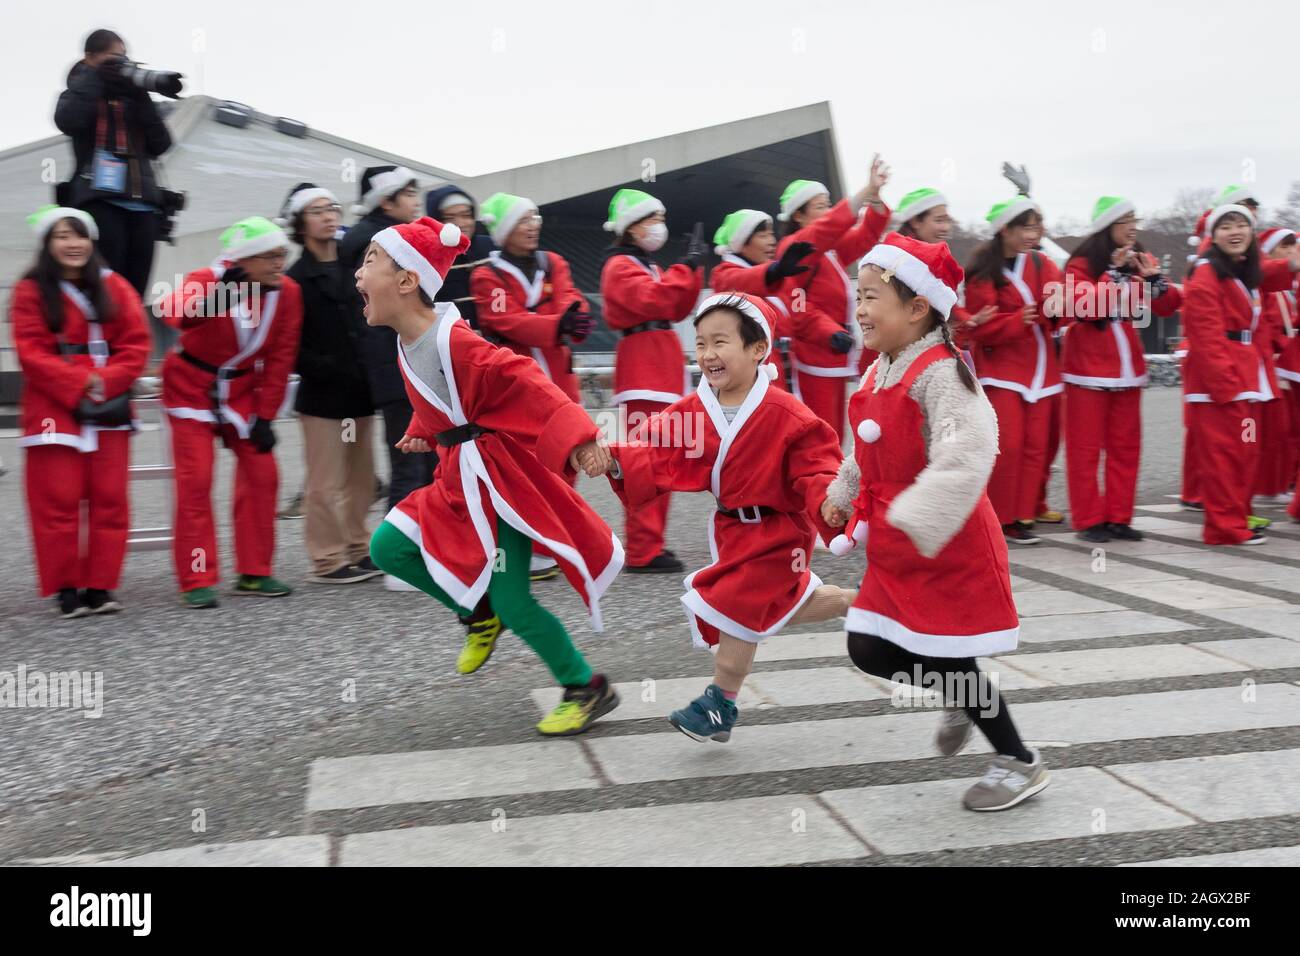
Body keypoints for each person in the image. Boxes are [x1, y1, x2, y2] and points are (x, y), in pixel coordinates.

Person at [359, 216, 623, 735]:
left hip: (497, 485)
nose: (358, 275)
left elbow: (524, 379)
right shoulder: (408, 341)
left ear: (408, 280)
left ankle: (585, 687)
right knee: (389, 547)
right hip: (457, 476)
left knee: (515, 600)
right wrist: (424, 428)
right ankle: (478, 612)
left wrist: (583, 435)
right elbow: (448, 399)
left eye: (370, 262)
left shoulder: (453, 339)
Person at [830, 233, 1047, 811]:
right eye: (858, 295)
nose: (860, 309)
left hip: (943, 541)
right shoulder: (879, 370)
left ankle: (1019, 760)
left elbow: (971, 450)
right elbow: (863, 447)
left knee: (950, 657)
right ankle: (960, 696)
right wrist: (843, 489)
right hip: (896, 543)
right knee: (868, 647)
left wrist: (920, 516)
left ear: (917, 307)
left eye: (872, 296)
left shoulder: (942, 373)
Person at [595, 293, 852, 741]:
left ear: (758, 349)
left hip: (779, 529)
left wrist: (829, 500)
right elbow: (652, 447)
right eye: (700, 344)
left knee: (737, 602)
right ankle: (867, 603)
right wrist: (613, 459)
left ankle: (719, 703)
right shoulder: (697, 409)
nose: (709, 355)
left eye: (720, 342)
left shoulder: (788, 414)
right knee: (781, 604)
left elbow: (816, 468)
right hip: (732, 527)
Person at [11, 206, 150, 617]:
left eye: (80, 236)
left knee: (110, 500)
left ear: (91, 241)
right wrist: (79, 382)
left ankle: (101, 585)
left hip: (110, 404)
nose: (73, 244)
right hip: (52, 408)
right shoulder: (31, 290)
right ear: (47, 244)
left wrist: (105, 381)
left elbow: (137, 345)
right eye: (62, 237)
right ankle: (66, 587)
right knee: (57, 502)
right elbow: (30, 352)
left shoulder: (115, 286)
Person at [156, 217, 303, 607]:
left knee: (263, 473)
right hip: (190, 385)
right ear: (243, 260)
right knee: (196, 480)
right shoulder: (208, 277)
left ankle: (255, 572)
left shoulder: (287, 292)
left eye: (282, 255)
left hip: (242, 390)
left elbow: (280, 356)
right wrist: (218, 299)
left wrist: (267, 415)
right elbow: (174, 313)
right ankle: (197, 577)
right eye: (269, 256)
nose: (279, 264)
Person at [470, 192, 591, 590]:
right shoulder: (488, 275)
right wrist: (557, 324)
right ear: (504, 230)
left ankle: (552, 541)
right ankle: (527, 547)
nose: (533, 225)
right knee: (526, 465)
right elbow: (505, 319)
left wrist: (572, 315)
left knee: (567, 456)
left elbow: (571, 298)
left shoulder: (553, 262)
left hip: (560, 378)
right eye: (523, 220)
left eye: (536, 217)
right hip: (518, 387)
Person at [1060, 197, 1182, 542]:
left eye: (1134, 219)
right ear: (1107, 227)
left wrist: (1156, 280)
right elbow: (1082, 306)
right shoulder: (1081, 263)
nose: (1133, 227)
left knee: (1126, 447)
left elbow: (1169, 306)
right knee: (1085, 450)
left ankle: (1119, 516)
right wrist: (1112, 274)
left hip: (1127, 367)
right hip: (1088, 369)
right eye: (1125, 220)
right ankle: (1088, 519)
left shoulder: (1140, 257)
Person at [278, 183, 381, 585]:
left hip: (359, 391)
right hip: (322, 396)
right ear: (299, 223)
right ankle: (326, 558)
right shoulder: (295, 279)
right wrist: (325, 366)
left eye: (332, 207)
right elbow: (288, 343)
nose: (328, 215)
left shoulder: (354, 267)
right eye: (317, 210)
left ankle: (358, 546)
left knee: (361, 479)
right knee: (324, 482)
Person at [599, 188, 704, 573]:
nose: (659, 227)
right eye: (651, 220)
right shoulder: (619, 266)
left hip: (658, 366)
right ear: (630, 226)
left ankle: (651, 544)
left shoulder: (645, 265)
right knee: (645, 461)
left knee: (661, 460)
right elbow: (656, 299)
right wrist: (685, 268)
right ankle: (643, 550)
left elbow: (677, 305)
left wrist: (693, 269)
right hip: (644, 370)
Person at [1182, 204, 1300, 545]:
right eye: (1226, 226)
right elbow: (1205, 335)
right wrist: (1225, 385)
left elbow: (1275, 270)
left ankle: (1236, 517)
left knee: (1243, 453)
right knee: (1223, 457)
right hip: (1221, 385)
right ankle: (1223, 527)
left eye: (1241, 225)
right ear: (1212, 236)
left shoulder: (1240, 270)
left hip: (1246, 379)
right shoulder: (1206, 273)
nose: (1235, 232)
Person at [959, 197, 1063, 545]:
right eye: (1027, 227)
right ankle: (998, 516)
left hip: (1042, 369)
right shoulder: (983, 271)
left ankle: (1023, 514)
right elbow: (979, 326)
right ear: (1006, 229)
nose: (1034, 234)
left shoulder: (1042, 263)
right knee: (1011, 445)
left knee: (1037, 446)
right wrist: (1017, 320)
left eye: (1037, 227)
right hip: (1001, 370)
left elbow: (1058, 305)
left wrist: (1058, 307)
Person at [773, 156, 891, 441]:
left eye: (829, 204)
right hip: (816, 354)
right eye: (820, 206)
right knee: (822, 435)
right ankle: (820, 484)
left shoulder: (829, 251)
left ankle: (832, 481)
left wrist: (874, 200)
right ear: (798, 216)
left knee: (836, 435)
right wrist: (830, 332)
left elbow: (867, 235)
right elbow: (798, 306)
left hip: (836, 355)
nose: (828, 211)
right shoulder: (794, 249)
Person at [53, 29, 175, 296]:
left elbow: (162, 144)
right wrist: (95, 78)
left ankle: (129, 337)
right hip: (100, 201)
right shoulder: (78, 92)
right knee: (107, 289)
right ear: (89, 57)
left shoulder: (133, 97)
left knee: (134, 293)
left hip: (143, 205)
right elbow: (69, 121)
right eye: (113, 58)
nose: (121, 64)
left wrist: (141, 97)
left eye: (124, 57)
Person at [709, 209, 815, 389]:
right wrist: (775, 270)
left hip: (788, 368)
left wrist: (831, 332)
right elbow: (741, 282)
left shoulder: (782, 277)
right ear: (742, 243)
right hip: (754, 372)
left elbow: (802, 312)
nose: (772, 242)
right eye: (763, 235)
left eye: (771, 235)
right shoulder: (723, 275)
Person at [425, 184, 495, 328]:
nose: (461, 224)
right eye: (450, 217)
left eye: (466, 215)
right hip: (456, 342)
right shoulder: (430, 260)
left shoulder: (491, 248)